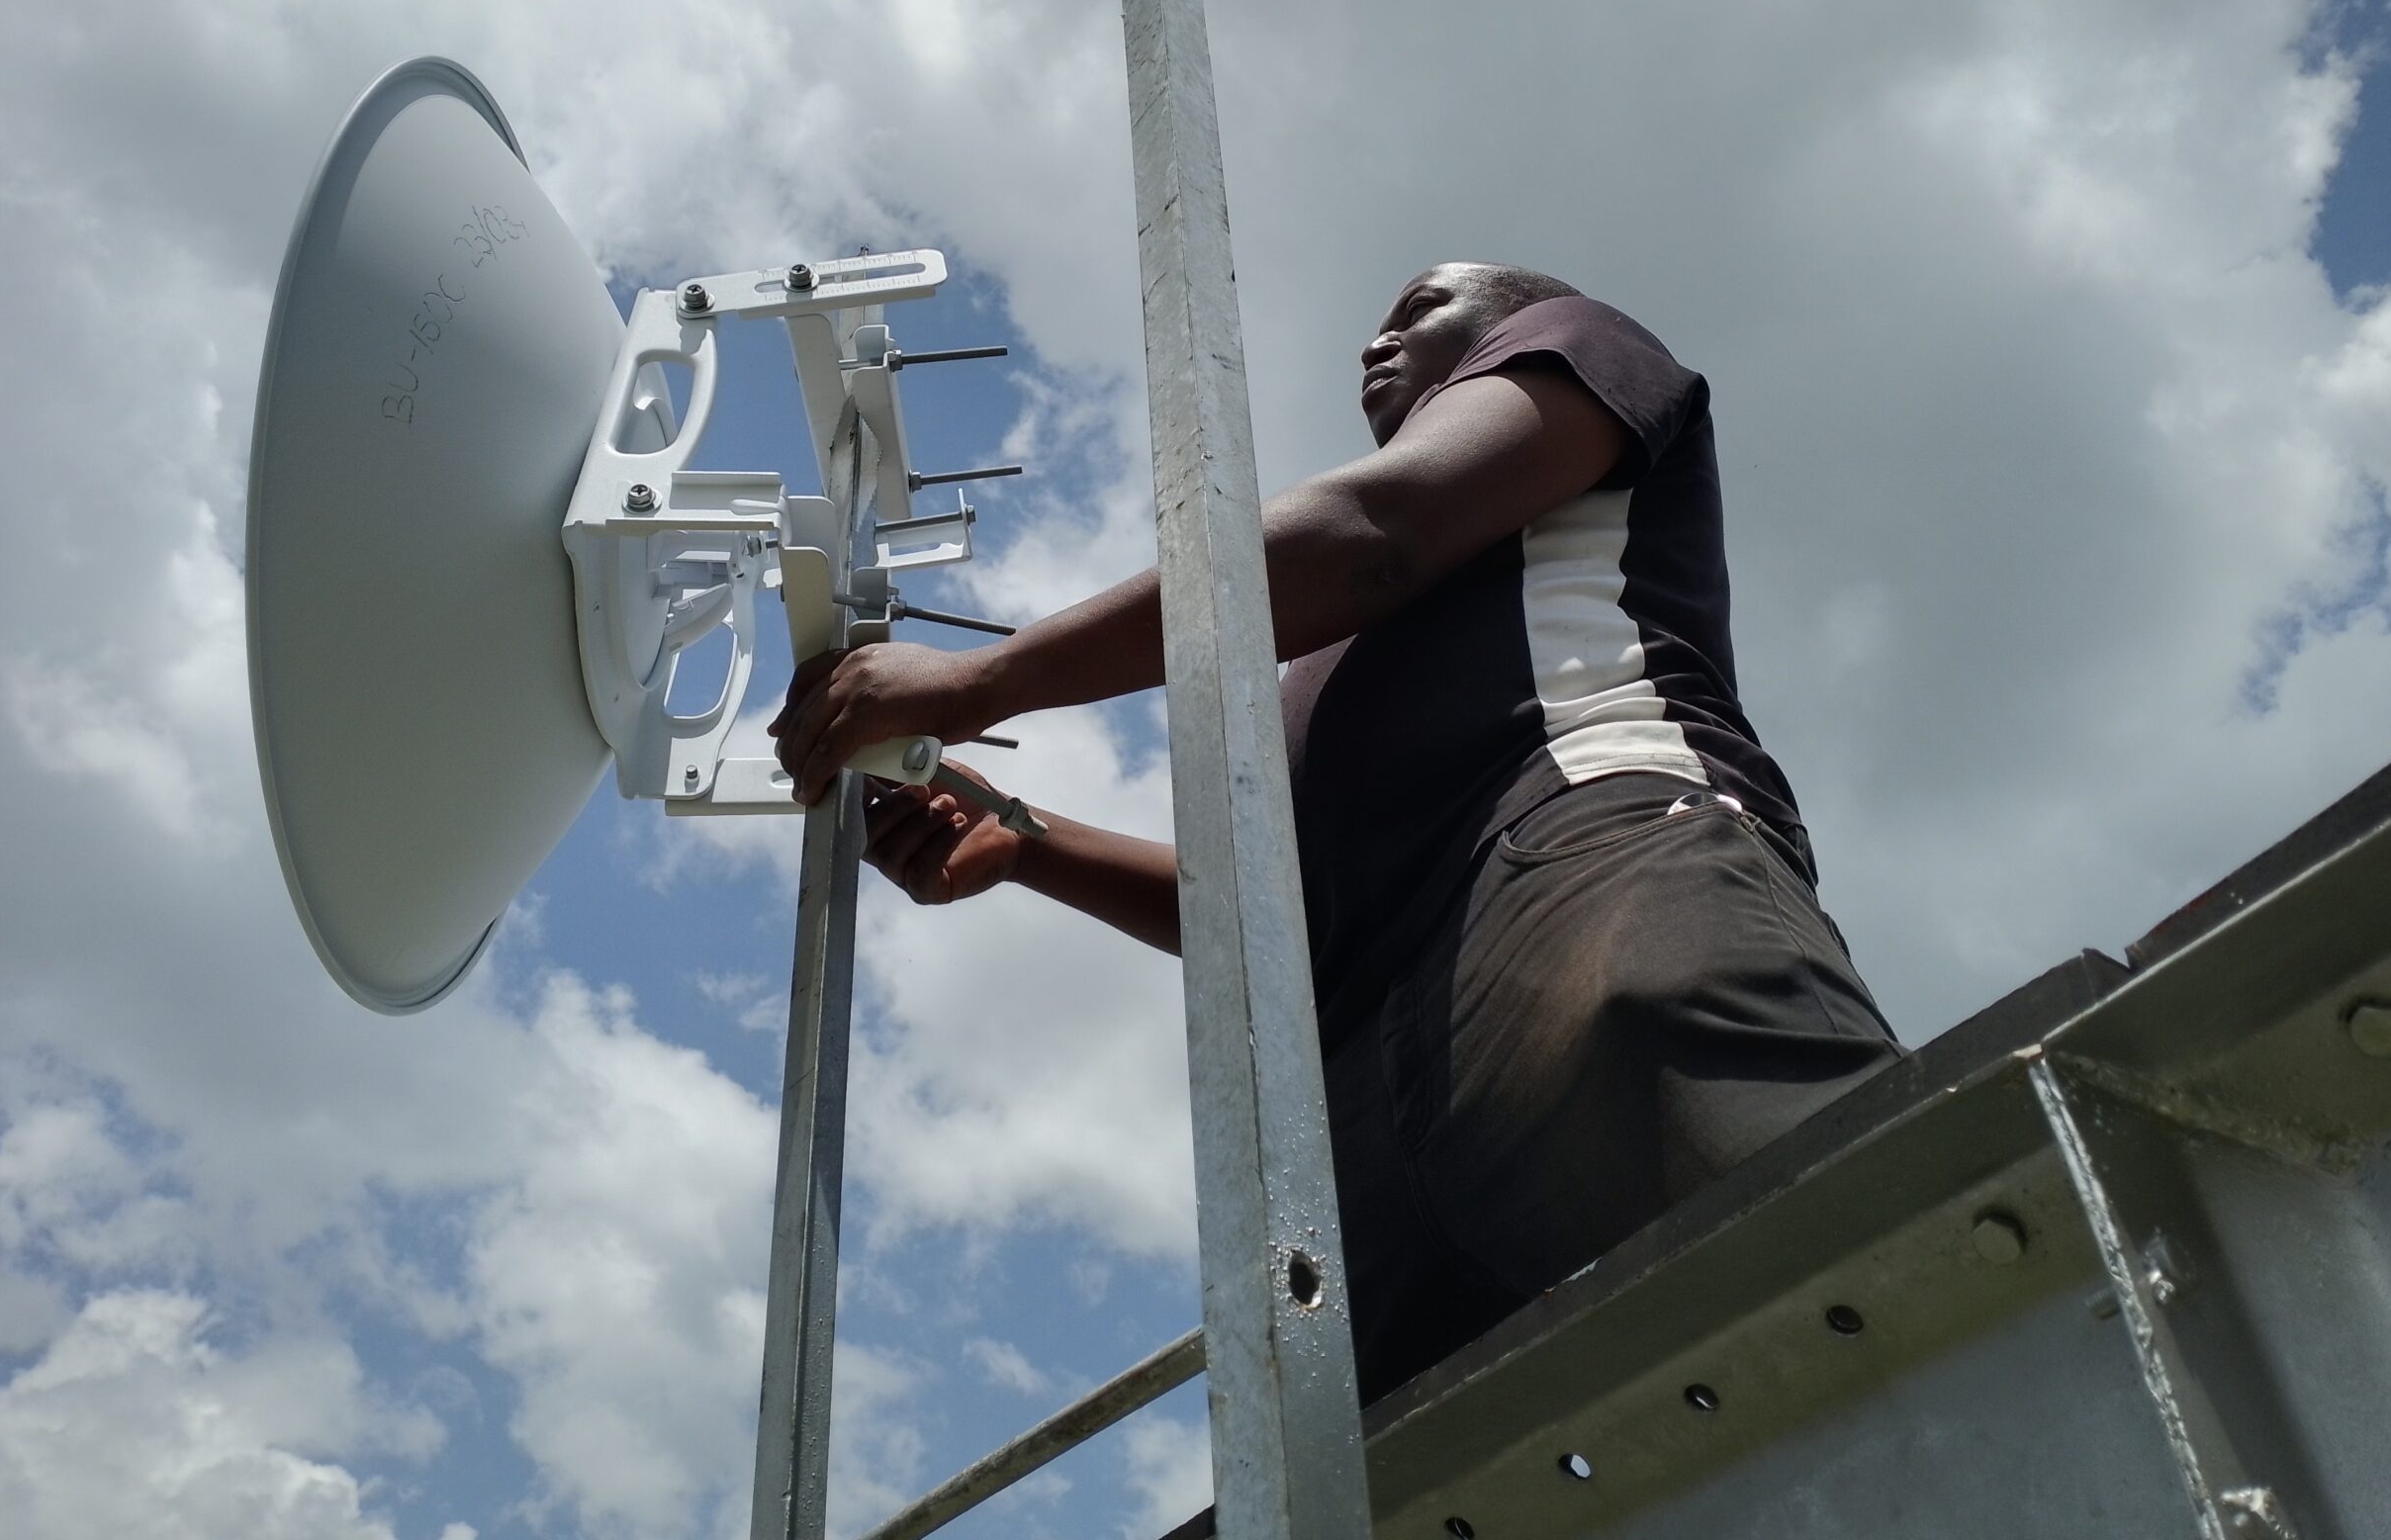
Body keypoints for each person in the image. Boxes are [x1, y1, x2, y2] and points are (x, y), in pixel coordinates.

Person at [772, 261, 1902, 1402]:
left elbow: (1376, 531)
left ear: (1512, 325)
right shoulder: (1324, 653)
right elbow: (1282, 913)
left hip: (1575, 863)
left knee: (1859, 1278)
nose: (1376, 341)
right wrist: (1022, 835)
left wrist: (981, 681)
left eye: (1421, 310)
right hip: (1363, 1051)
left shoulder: (1580, 348)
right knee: (1430, 1467)